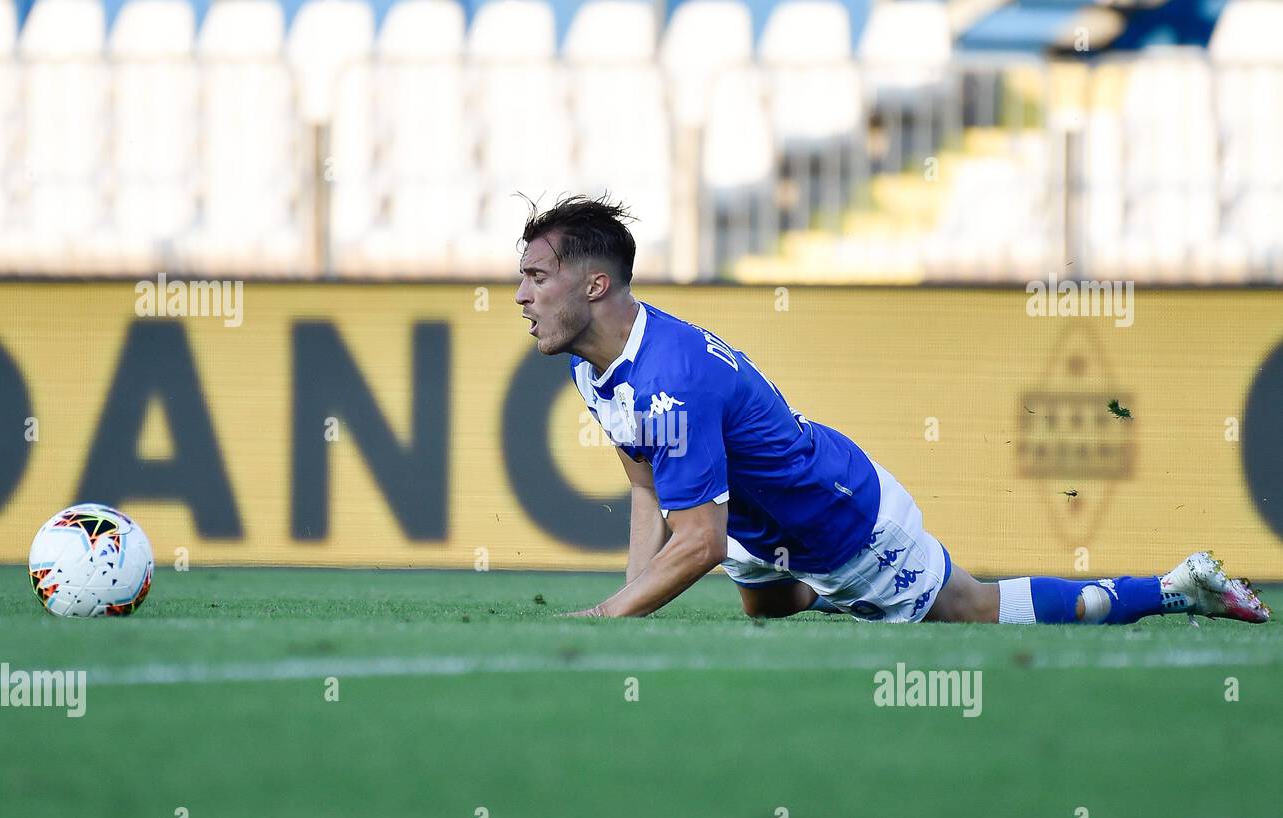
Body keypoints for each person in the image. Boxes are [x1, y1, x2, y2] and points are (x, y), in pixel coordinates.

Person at [515, 195, 1270, 624]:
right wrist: (625, 607)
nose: (520, 295)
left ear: (594, 287)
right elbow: (646, 483)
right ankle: (825, 592)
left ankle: (1176, 589)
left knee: (972, 609)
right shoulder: (599, 368)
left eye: (536, 276)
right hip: (766, 525)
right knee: (766, 608)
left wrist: (611, 616)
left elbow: (700, 542)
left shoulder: (671, 379)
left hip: (839, 516)